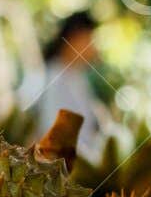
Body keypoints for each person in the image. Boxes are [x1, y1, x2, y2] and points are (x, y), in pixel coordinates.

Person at [29, 10, 110, 162]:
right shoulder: (51, 78)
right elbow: (53, 136)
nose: (94, 47)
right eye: (89, 40)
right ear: (74, 38)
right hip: (63, 168)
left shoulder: (77, 77)